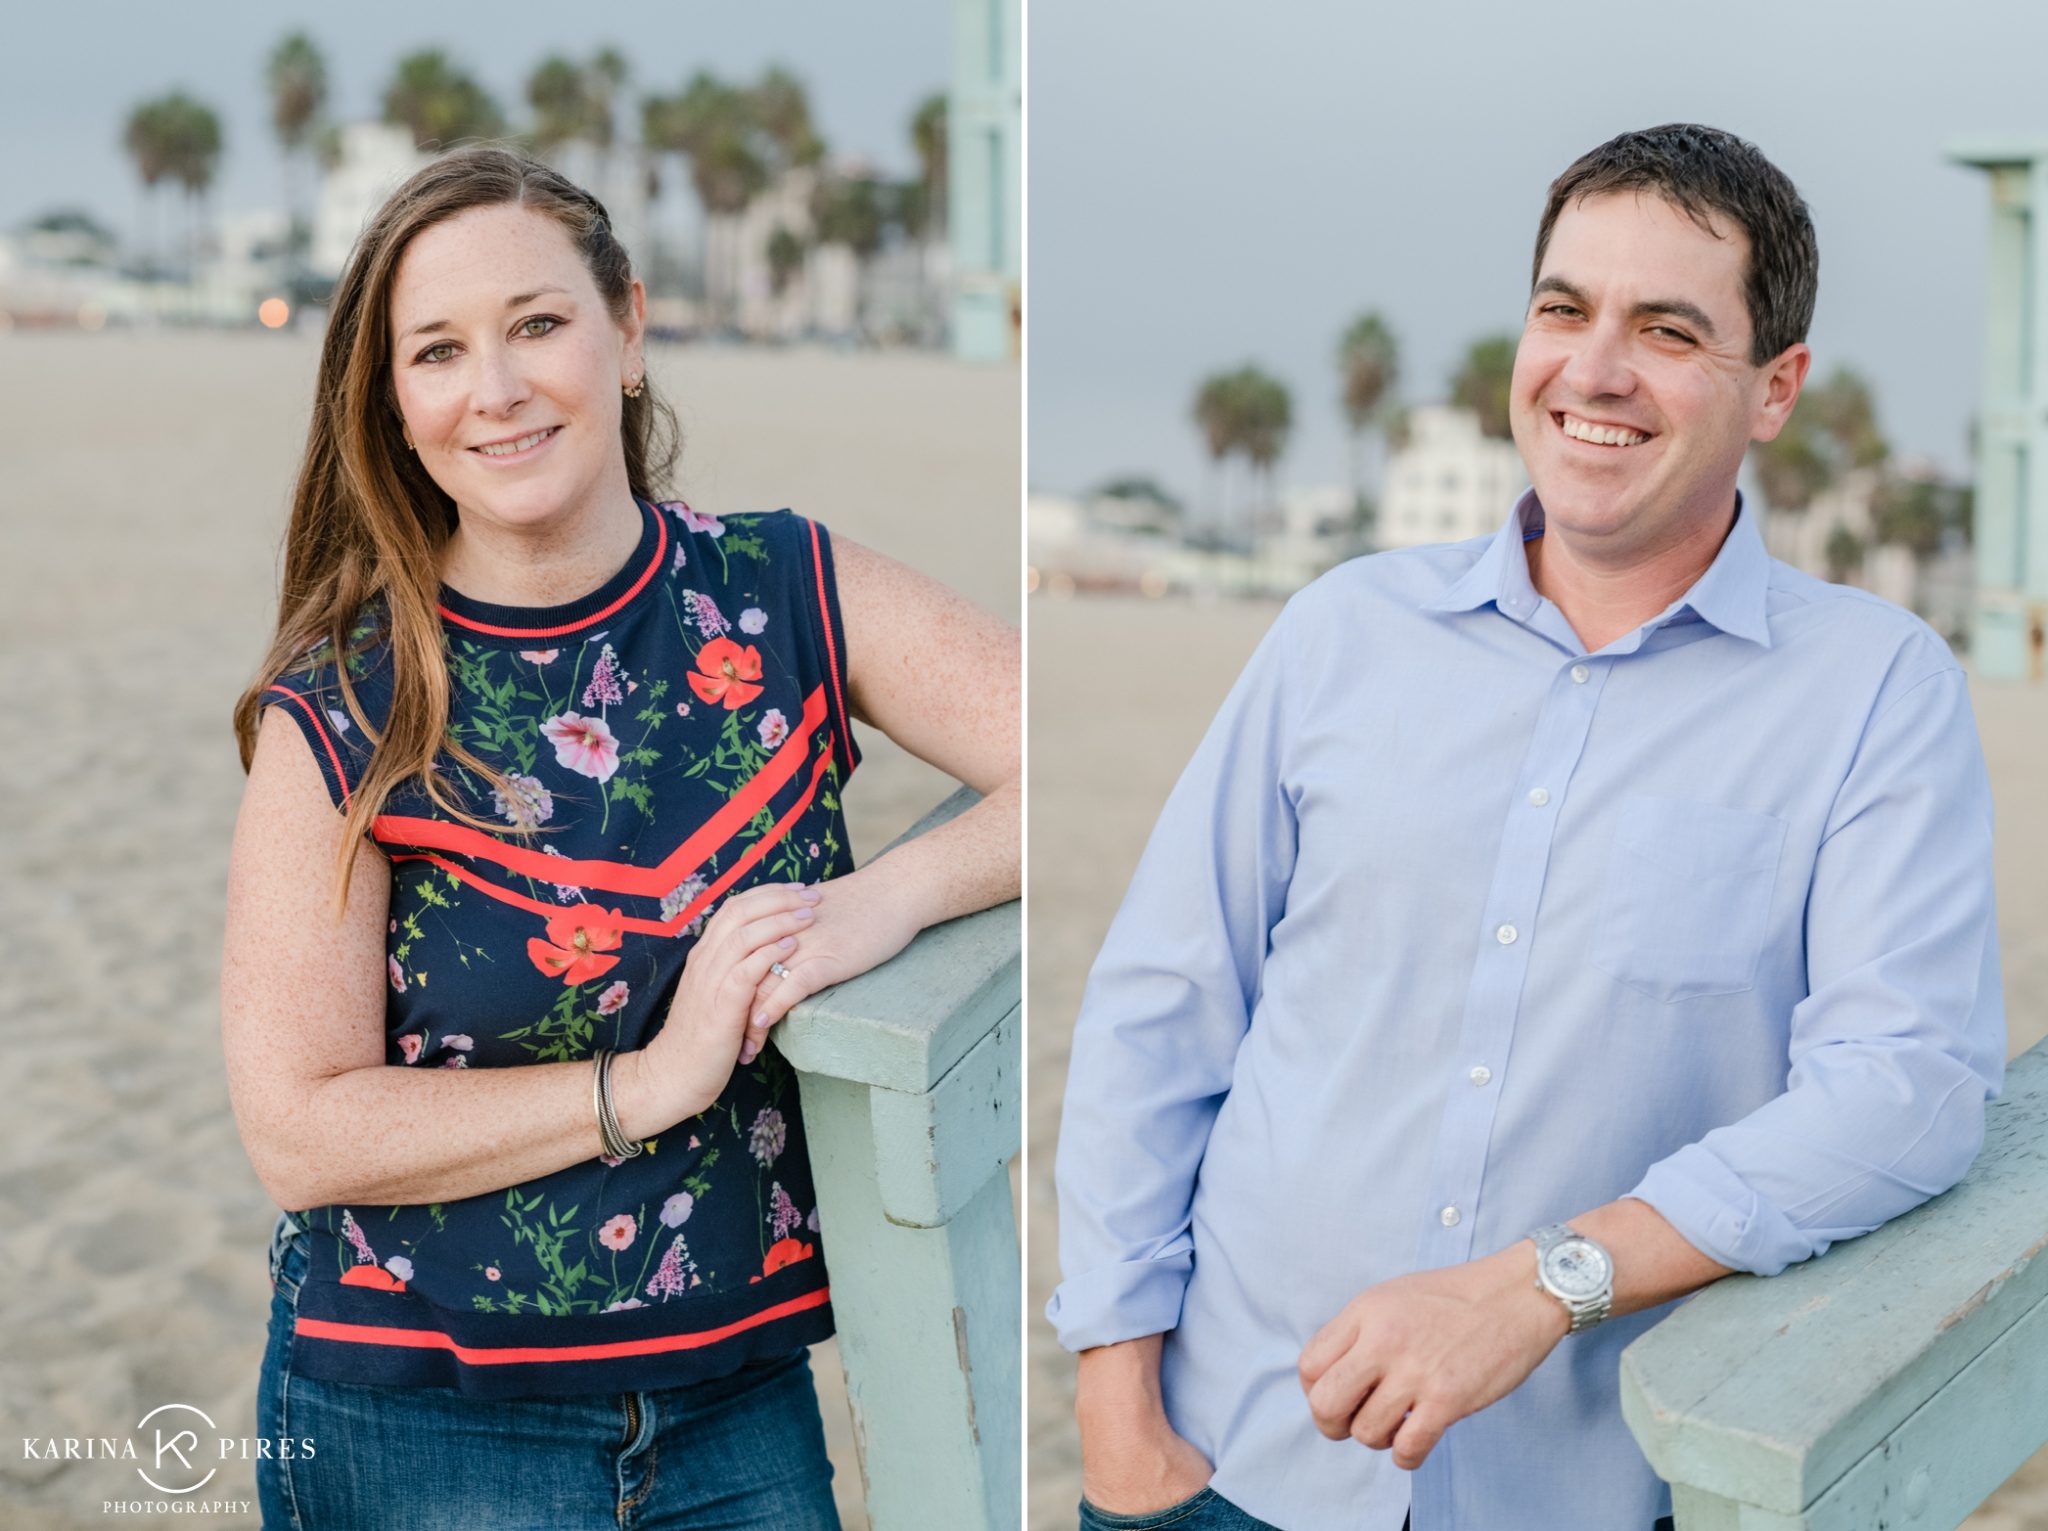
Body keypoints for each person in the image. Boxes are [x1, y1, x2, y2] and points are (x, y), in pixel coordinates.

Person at [1049, 124, 2004, 1531]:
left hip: (1590, 1491)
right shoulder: (1340, 635)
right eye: (1565, 310)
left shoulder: (1874, 690)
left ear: (1776, 389)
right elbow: (1162, 1010)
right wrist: (1117, 1417)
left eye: (1669, 330)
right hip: (1225, 1468)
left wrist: (1543, 1283)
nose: (1596, 369)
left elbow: (1908, 1087)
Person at [221, 144, 1019, 1529]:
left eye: (539, 324)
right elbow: (299, 1128)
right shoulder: (346, 708)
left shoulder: (782, 589)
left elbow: (1063, 760)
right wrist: (647, 1084)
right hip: (420, 1418)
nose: (499, 389)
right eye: (439, 353)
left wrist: (886, 899)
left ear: (629, 330)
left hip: (738, 1403)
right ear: (395, 404)